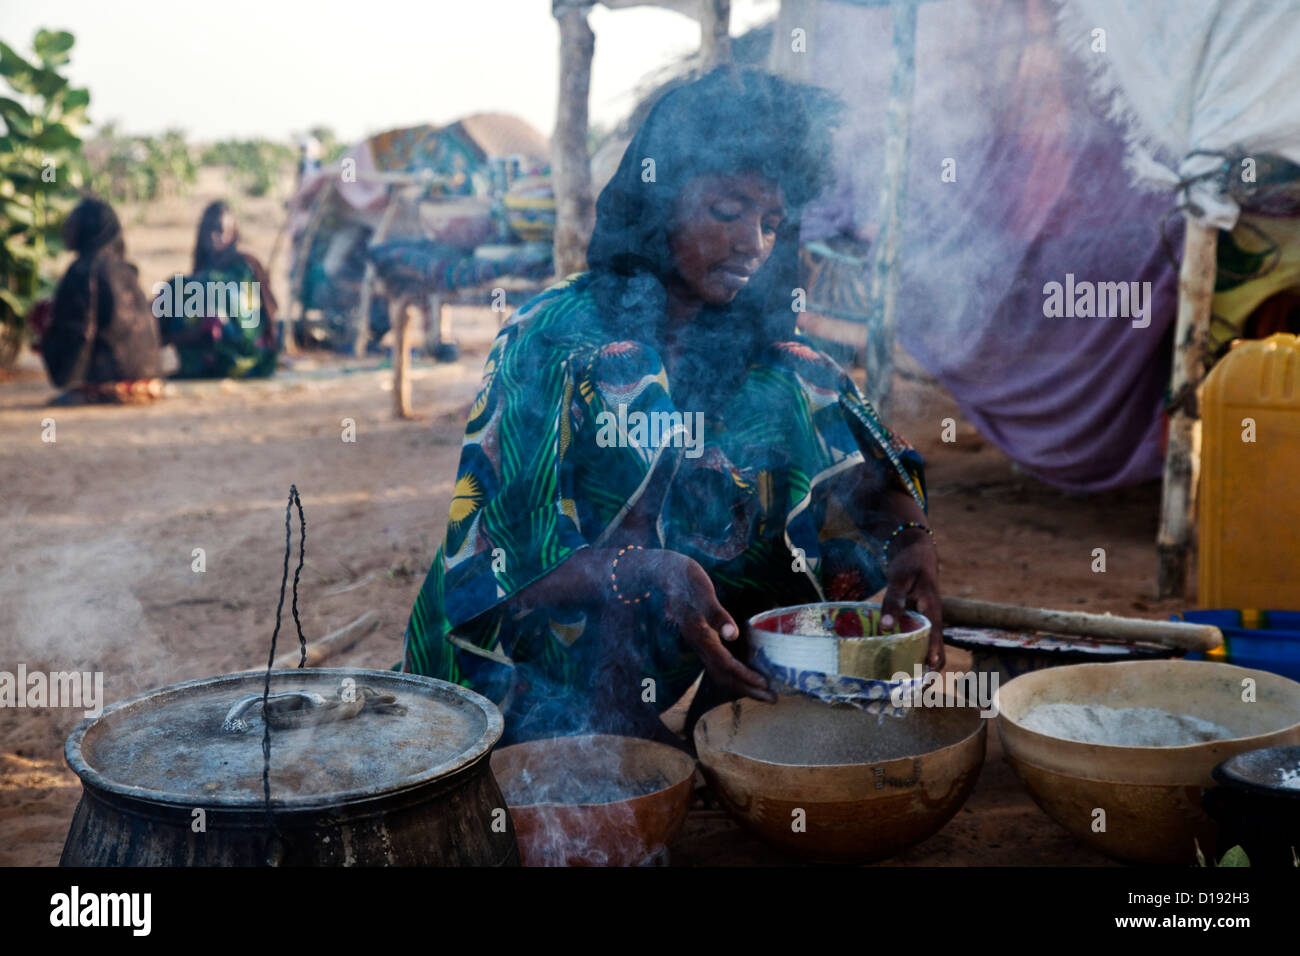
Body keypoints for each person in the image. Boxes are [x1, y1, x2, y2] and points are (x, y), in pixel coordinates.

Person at [403, 68, 943, 746]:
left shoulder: (770, 364)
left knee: (792, 405)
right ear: (660, 200)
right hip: (504, 678)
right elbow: (501, 558)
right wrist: (647, 570)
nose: (753, 242)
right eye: (727, 212)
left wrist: (911, 547)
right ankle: (590, 728)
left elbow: (878, 472)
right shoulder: (557, 337)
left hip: (645, 664)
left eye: (771, 222)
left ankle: (717, 711)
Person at [41, 198, 163, 404]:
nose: (65, 230)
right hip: (149, 383)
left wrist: (49, 340)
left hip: (108, 384)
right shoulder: (126, 269)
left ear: (87, 229)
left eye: (71, 224)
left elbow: (80, 333)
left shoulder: (82, 271)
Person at [160, 201, 278, 379]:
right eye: (208, 229)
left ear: (232, 234)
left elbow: (246, 320)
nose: (213, 236)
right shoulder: (198, 273)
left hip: (243, 354)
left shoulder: (244, 267)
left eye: (221, 230)